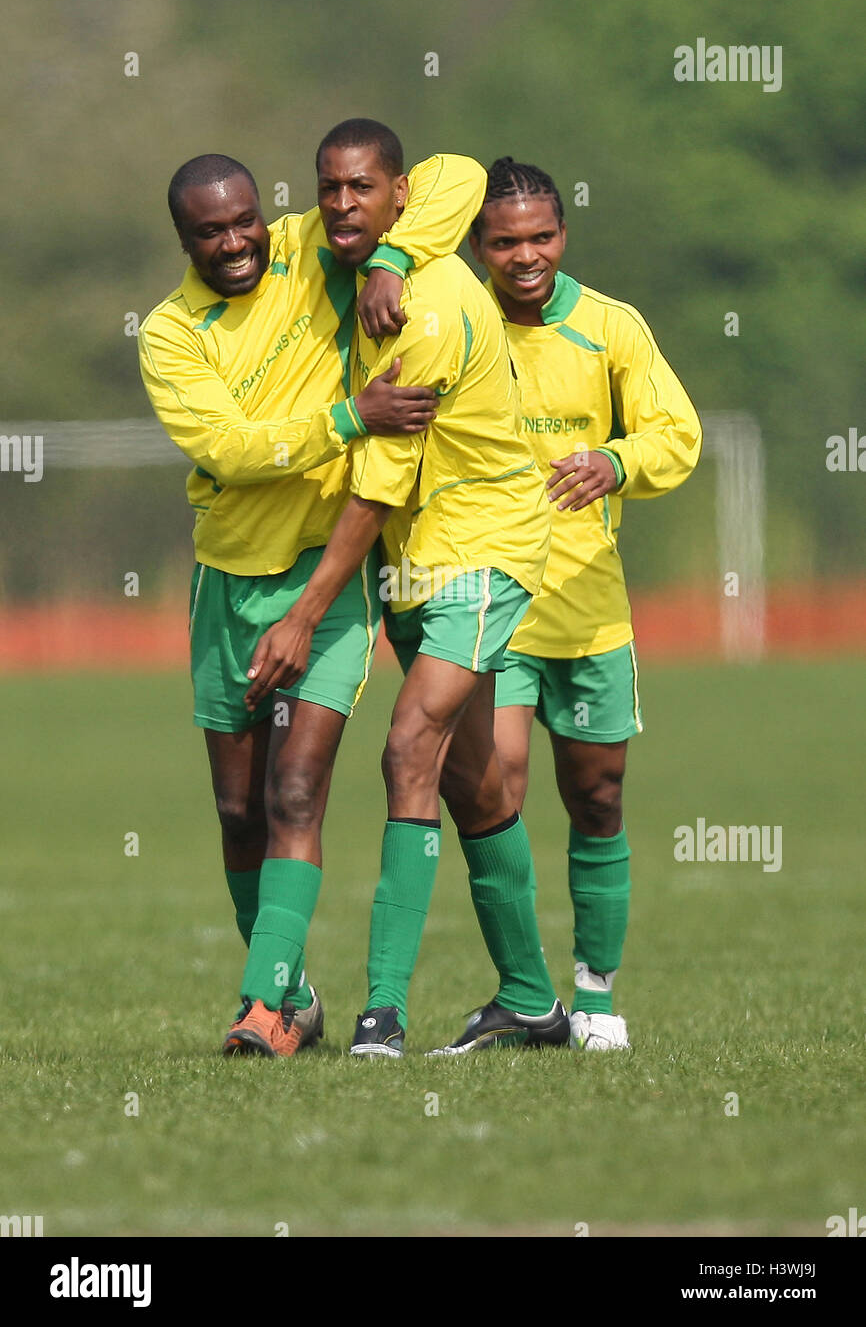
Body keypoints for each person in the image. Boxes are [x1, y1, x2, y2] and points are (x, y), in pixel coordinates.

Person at [139, 144, 487, 1055]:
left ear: (267, 212)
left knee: (297, 792)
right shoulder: (173, 333)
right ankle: (291, 991)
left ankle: (261, 1007)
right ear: (184, 239)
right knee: (239, 813)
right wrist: (348, 418)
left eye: (244, 220)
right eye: (210, 231)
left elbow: (458, 177)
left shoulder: (309, 248)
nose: (236, 242)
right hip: (226, 587)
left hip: (323, 582)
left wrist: (394, 257)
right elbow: (231, 449)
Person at [244, 120, 570, 1058]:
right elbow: (458, 169)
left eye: (364, 189)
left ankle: (381, 1014)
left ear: (398, 195)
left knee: (407, 750)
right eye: (328, 188)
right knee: (476, 784)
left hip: (482, 552)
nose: (342, 204)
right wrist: (385, 252)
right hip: (416, 566)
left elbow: (377, 486)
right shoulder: (383, 260)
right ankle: (533, 1002)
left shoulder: (420, 315)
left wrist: (304, 615)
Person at [468, 157, 702, 1051]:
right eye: (505, 241)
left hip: (591, 610)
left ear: (563, 236)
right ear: (479, 246)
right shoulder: (461, 328)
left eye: (541, 237)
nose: (525, 255)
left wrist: (615, 460)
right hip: (494, 606)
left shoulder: (610, 328)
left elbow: (675, 432)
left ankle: (596, 997)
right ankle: (529, 996)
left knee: (597, 798)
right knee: (502, 789)